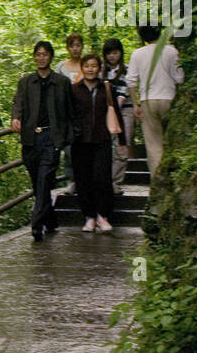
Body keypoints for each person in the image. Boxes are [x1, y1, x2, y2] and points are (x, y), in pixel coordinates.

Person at [11, 41, 72, 242]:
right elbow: (18, 102)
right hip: (30, 138)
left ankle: (36, 226)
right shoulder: (26, 82)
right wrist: (16, 117)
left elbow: (69, 110)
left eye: (45, 54)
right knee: (38, 184)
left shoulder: (61, 82)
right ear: (34, 57)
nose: (41, 58)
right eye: (38, 54)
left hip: (51, 138)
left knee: (45, 179)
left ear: (51, 57)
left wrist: (67, 137)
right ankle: (51, 220)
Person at [69, 52, 128, 232]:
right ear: (82, 68)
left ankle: (103, 215)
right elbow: (68, 114)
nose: (90, 70)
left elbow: (116, 113)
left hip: (102, 139)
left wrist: (122, 141)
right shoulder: (74, 90)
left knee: (102, 178)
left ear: (100, 68)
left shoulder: (107, 88)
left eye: (94, 66)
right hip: (80, 142)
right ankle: (89, 216)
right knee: (83, 179)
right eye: (87, 66)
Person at [126, 24, 184, 178]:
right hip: (169, 99)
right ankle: (175, 178)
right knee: (173, 141)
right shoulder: (171, 51)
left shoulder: (137, 54)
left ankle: (158, 183)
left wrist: (135, 104)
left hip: (148, 101)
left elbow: (131, 81)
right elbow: (180, 78)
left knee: (153, 146)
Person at [102, 38, 133, 194]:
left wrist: (114, 111)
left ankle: (115, 182)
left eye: (115, 53)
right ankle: (104, 181)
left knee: (122, 145)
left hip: (124, 111)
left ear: (120, 53)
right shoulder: (101, 71)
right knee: (105, 147)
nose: (112, 56)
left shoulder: (127, 69)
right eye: (109, 53)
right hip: (105, 112)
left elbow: (122, 94)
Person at [57, 32, 84, 195]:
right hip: (66, 112)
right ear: (67, 48)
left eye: (78, 45)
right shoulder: (61, 67)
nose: (75, 49)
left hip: (84, 111)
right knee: (68, 148)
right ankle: (72, 181)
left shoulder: (87, 64)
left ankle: (85, 180)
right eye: (72, 45)